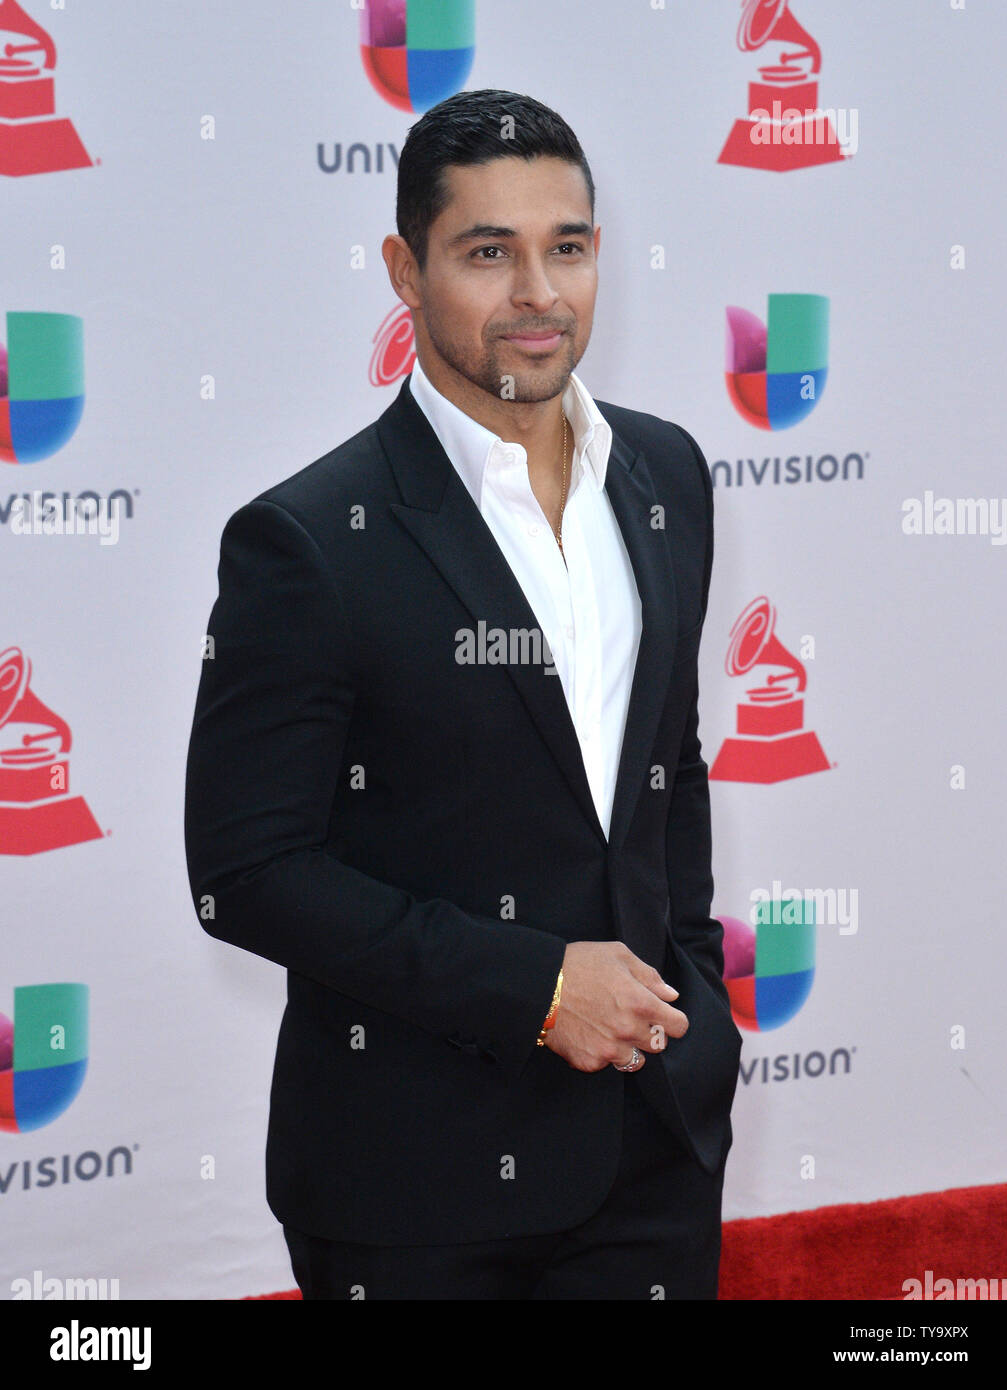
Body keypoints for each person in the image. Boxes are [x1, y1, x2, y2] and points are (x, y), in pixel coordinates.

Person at [184, 88, 741, 1301]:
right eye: (488, 252)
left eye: (569, 247)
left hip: (653, 1151)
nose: (538, 293)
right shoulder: (311, 540)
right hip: (414, 1186)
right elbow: (246, 872)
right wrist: (534, 987)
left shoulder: (667, 475)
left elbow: (665, 767)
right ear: (404, 267)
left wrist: (694, 1002)